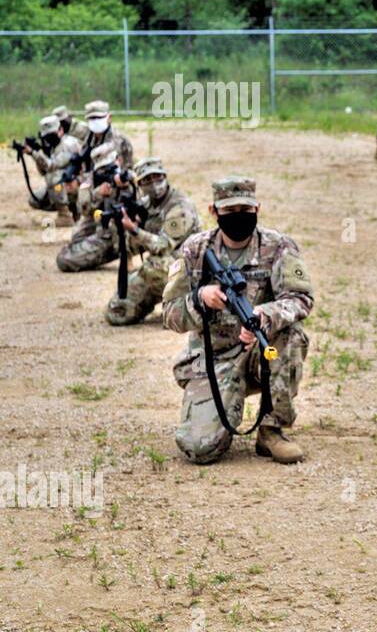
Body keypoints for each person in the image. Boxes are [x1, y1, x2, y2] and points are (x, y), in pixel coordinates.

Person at [161, 176, 314, 465]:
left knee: (291, 334)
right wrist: (200, 298)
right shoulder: (195, 250)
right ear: (213, 211)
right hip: (211, 359)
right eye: (230, 212)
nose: (238, 217)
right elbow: (168, 312)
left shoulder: (279, 247)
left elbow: (301, 299)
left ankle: (271, 430)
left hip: (259, 353)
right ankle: (223, 404)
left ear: (258, 208)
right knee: (199, 449)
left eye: (245, 210)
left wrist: (263, 316)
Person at [105, 157, 200, 326]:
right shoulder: (146, 205)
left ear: (165, 177)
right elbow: (130, 247)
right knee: (117, 312)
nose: (154, 183)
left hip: (189, 269)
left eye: (158, 177)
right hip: (161, 269)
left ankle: (183, 305)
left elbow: (163, 245)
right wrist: (120, 227)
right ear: (140, 185)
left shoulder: (180, 206)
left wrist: (135, 230)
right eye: (147, 180)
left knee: (154, 266)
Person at [55, 141, 130, 272]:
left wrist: (126, 188)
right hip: (100, 223)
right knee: (75, 239)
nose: (108, 172)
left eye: (111, 166)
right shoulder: (91, 180)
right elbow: (84, 211)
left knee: (64, 260)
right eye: (103, 169)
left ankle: (122, 252)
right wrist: (97, 194)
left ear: (119, 160)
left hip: (118, 230)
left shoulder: (128, 179)